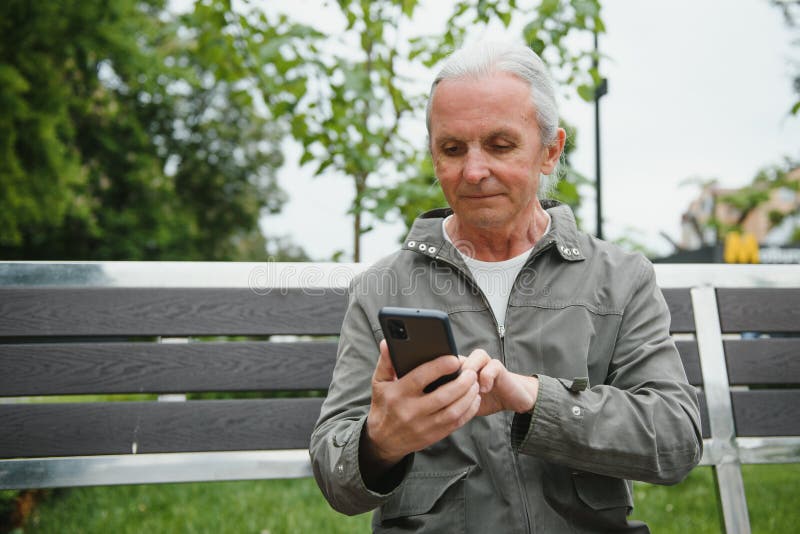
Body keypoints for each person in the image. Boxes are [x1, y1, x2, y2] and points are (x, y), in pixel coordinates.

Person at [310, 40, 702, 533]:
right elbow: (334, 472)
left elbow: (676, 439)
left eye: (500, 145)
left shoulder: (620, 279)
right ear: (434, 157)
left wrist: (534, 399)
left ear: (550, 150)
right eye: (452, 149)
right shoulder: (381, 289)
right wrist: (380, 442)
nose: (474, 171)